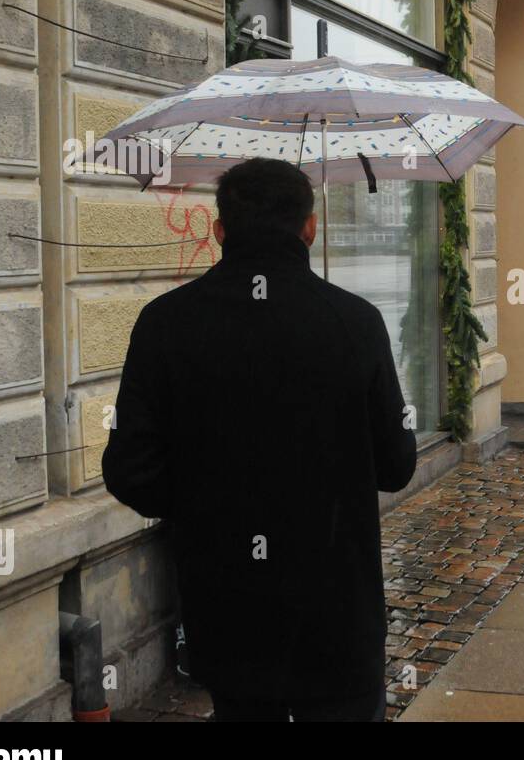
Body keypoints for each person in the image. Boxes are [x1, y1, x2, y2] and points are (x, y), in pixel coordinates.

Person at [102, 157, 416, 722]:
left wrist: (203, 501)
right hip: (337, 619)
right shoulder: (357, 323)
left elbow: (130, 470)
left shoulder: (164, 323)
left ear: (220, 230)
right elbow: (396, 465)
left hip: (227, 613)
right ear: (310, 228)